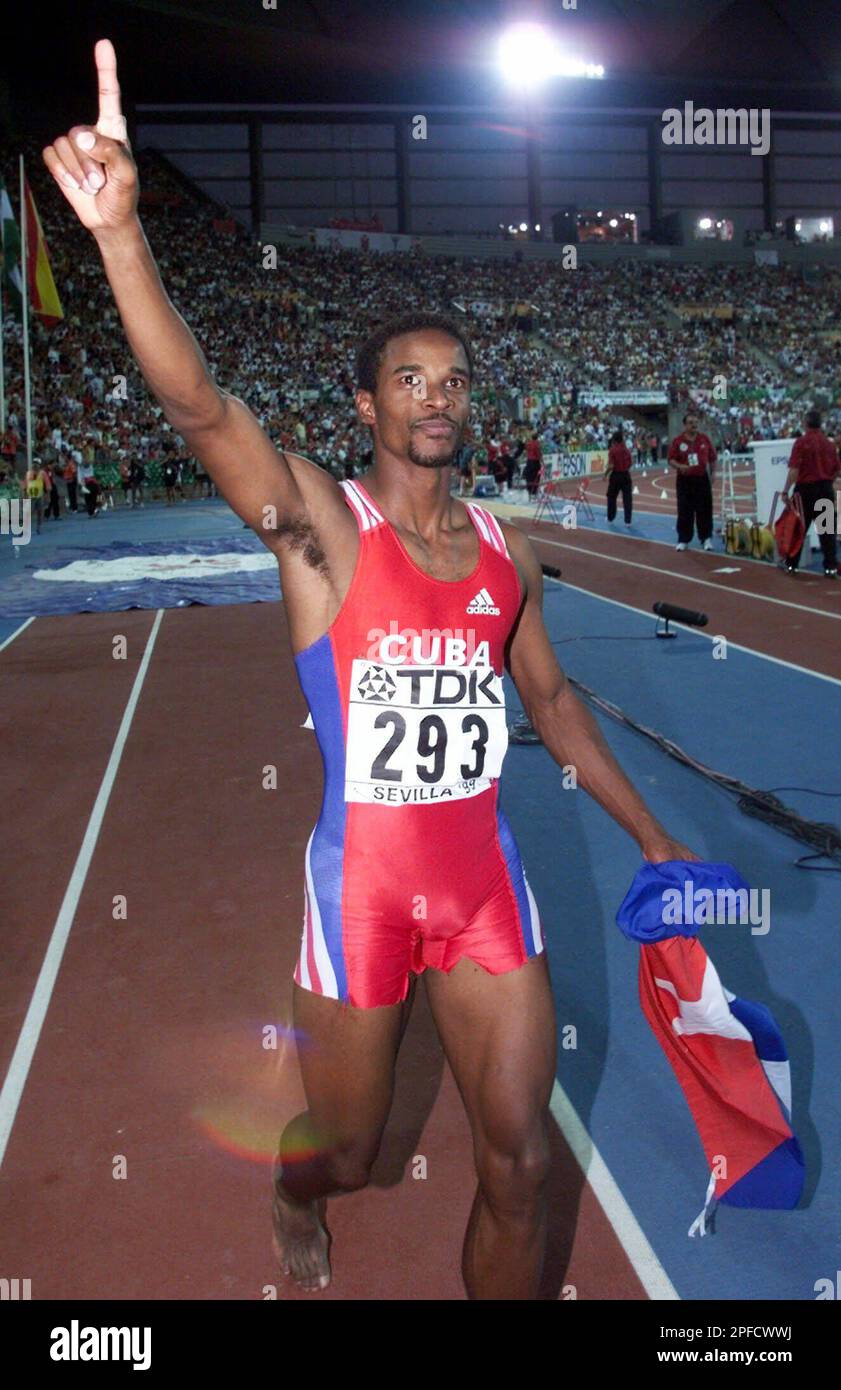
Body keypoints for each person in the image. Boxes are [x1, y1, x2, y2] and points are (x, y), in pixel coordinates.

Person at [42, 40, 696, 1300]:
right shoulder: (325, 529)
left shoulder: (506, 552)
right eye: (409, 380)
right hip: (363, 890)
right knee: (350, 1147)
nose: (435, 399)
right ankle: (295, 1187)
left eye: (451, 381)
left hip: (484, 885)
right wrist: (122, 234)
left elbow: (548, 702)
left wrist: (653, 837)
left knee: (517, 1163)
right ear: (366, 407)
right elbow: (202, 412)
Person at [781, 407, 839, 577]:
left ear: (806, 424)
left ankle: (792, 565)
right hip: (825, 488)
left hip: (805, 490)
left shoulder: (801, 443)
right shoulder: (829, 444)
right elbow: (836, 468)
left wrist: (785, 491)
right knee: (827, 531)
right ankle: (830, 567)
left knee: (798, 529)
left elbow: (794, 470)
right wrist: (828, 482)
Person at [667, 410, 716, 551]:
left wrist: (713, 474)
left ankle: (706, 538)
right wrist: (680, 466)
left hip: (702, 479)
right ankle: (683, 539)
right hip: (684, 481)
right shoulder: (678, 441)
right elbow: (670, 460)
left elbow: (712, 458)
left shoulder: (704, 439)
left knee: (705, 509)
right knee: (684, 510)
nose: (694, 425)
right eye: (690, 423)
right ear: (684, 425)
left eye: (695, 422)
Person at [604, 428, 633, 526]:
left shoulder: (612, 450)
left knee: (611, 497)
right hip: (626, 475)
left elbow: (611, 466)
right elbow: (630, 463)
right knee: (627, 499)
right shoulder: (626, 450)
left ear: (614, 440)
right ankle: (628, 521)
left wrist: (605, 475)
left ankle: (610, 517)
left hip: (616, 476)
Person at [523, 432, 542, 499]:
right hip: (535, 462)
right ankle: (534, 493)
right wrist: (542, 462)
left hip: (529, 461)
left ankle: (529, 493)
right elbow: (538, 453)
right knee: (536, 477)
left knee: (529, 477)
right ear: (537, 438)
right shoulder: (537, 444)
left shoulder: (528, 443)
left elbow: (526, 450)